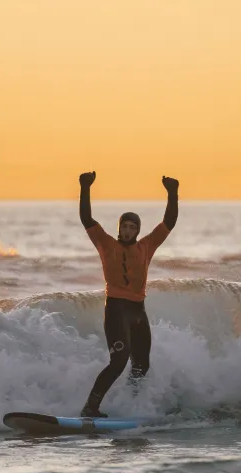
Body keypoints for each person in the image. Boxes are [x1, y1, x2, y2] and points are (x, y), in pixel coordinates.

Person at [77, 170, 179, 418]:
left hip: (138, 311)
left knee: (141, 365)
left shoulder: (146, 246)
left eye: (133, 227)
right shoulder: (105, 243)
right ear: (119, 227)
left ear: (137, 231)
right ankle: (90, 407)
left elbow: (168, 222)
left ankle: (130, 405)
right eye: (124, 226)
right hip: (116, 310)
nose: (128, 230)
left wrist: (173, 193)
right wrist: (85, 187)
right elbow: (86, 218)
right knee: (119, 361)